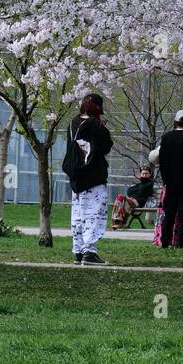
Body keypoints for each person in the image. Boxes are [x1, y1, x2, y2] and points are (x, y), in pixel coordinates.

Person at [62, 94, 113, 265]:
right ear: (97, 108)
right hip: (94, 176)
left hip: (76, 176)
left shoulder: (73, 123)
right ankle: (89, 252)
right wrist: (103, 128)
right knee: (94, 213)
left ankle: (78, 250)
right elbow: (106, 147)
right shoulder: (96, 125)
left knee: (78, 213)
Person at [156, 111, 183, 248]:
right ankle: (180, 243)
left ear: (175, 122)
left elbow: (162, 161)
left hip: (171, 182)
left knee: (169, 214)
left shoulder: (167, 137)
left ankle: (165, 242)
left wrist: (165, 180)